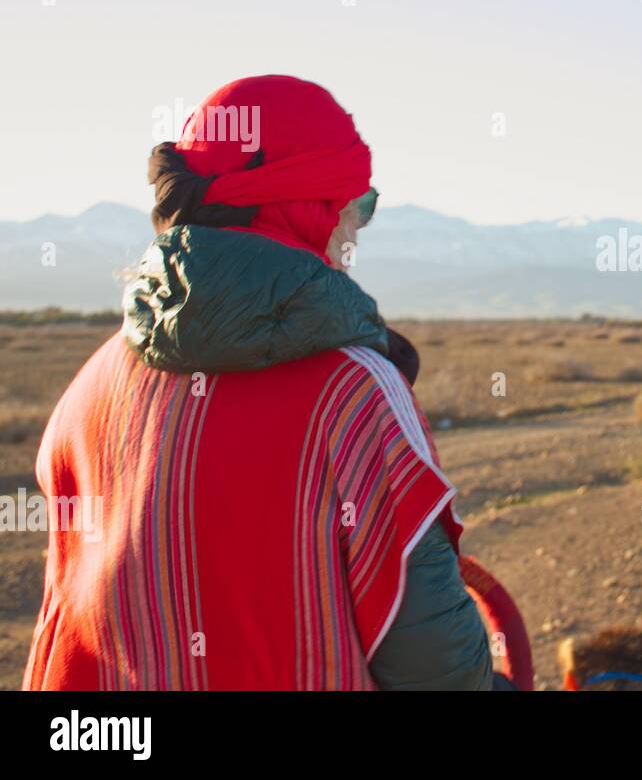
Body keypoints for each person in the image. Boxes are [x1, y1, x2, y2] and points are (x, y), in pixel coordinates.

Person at [24, 75, 493, 690]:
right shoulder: (355, 393)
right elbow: (436, 668)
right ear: (308, 207)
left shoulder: (89, 389)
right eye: (359, 205)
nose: (356, 232)